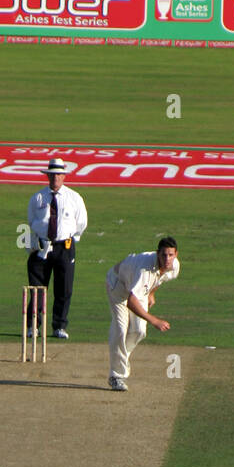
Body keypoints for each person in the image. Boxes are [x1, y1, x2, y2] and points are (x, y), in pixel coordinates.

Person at [26, 158, 88, 342]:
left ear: (64, 176)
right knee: (37, 288)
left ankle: (59, 326)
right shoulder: (38, 197)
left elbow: (81, 223)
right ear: (48, 176)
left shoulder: (74, 198)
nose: (55, 178)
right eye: (52, 175)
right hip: (42, 246)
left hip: (65, 247)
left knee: (64, 288)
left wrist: (68, 238)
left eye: (58, 175)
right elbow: (31, 220)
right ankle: (32, 326)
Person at [106, 237, 179, 391]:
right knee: (121, 328)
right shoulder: (144, 269)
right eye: (164, 255)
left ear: (176, 254)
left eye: (171, 255)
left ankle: (120, 358)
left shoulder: (174, 266)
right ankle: (116, 375)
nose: (167, 259)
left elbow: (160, 279)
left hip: (138, 291)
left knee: (139, 331)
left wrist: (151, 293)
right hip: (118, 286)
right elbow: (131, 302)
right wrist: (155, 320)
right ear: (157, 253)